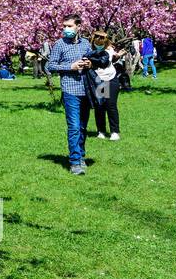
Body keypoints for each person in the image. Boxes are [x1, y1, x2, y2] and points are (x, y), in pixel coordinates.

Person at [46, 15, 94, 175]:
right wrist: (70, 66)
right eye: (64, 26)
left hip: (86, 90)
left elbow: (93, 59)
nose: (66, 29)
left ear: (78, 27)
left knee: (82, 127)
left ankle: (81, 156)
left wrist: (89, 63)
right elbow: (50, 66)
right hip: (70, 90)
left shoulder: (86, 43)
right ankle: (74, 162)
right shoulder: (59, 45)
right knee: (73, 127)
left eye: (69, 26)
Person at [86, 32, 124, 140]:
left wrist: (118, 55)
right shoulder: (90, 51)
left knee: (111, 105)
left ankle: (114, 131)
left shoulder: (109, 51)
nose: (99, 45)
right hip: (98, 81)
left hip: (111, 80)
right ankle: (101, 131)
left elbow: (105, 61)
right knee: (100, 106)